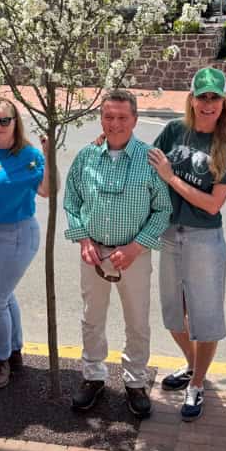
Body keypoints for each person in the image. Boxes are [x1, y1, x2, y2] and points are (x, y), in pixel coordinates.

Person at [64, 89, 172, 418]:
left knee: (137, 320)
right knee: (91, 317)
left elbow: (162, 210)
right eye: (109, 117)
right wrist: (84, 241)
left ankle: (135, 380)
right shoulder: (87, 156)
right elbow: (71, 201)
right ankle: (93, 376)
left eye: (122, 117)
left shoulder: (150, 159)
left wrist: (137, 246)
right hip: (94, 253)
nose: (115, 124)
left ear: (135, 120)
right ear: (101, 119)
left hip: (134, 254)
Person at [149, 68, 226, 421]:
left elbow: (212, 204)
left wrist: (171, 177)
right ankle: (193, 364)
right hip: (169, 232)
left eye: (214, 97)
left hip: (203, 237)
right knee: (173, 313)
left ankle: (198, 383)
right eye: (202, 96)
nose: (208, 103)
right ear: (191, 99)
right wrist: (108, 140)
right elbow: (145, 162)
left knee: (204, 315)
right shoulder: (174, 130)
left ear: (224, 101)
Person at [0, 97, 51, 389]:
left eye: (3, 121)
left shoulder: (29, 156)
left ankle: (1, 360)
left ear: (14, 122)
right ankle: (13, 351)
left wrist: (49, 157)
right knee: (4, 297)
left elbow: (46, 190)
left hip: (16, 235)